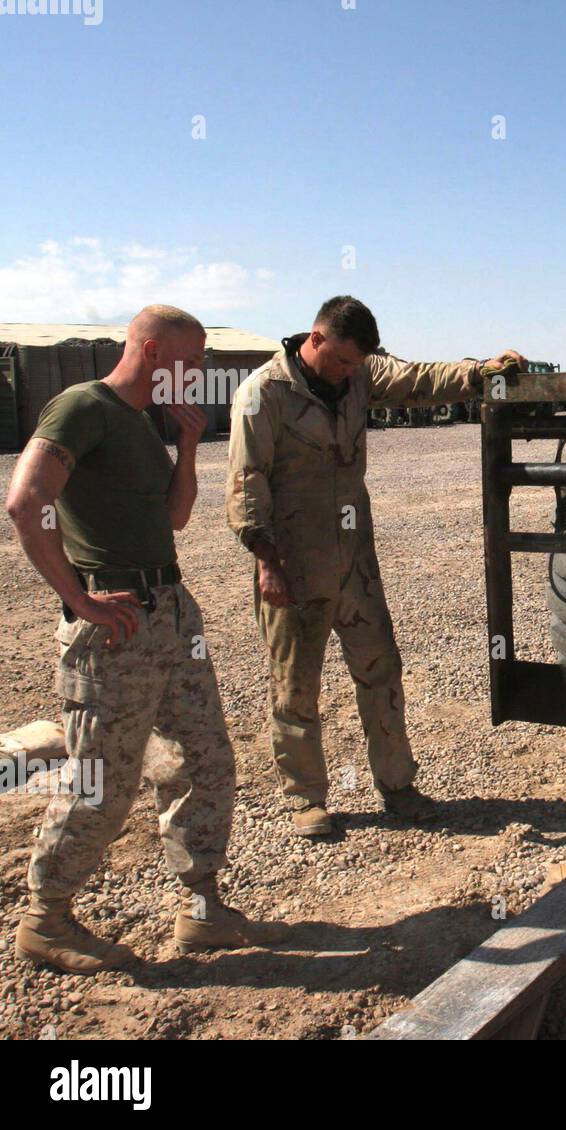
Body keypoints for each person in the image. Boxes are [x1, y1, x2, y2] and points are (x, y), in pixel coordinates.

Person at [5, 304, 287, 973]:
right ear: (154, 352)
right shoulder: (82, 406)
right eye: (191, 363)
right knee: (103, 780)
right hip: (116, 623)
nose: (197, 376)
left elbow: (177, 515)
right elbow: (25, 501)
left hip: (169, 610)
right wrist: (77, 599)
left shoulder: (138, 423)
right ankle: (45, 920)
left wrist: (187, 446)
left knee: (204, 758)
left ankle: (201, 913)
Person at [226, 295, 525, 836]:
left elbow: (421, 379)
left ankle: (397, 785)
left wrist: (481, 372)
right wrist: (266, 561)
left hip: (354, 561)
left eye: (358, 364)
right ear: (314, 339)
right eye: (341, 361)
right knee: (295, 685)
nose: (349, 374)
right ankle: (305, 799)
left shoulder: (359, 373)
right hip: (294, 562)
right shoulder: (262, 394)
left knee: (381, 670)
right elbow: (247, 484)